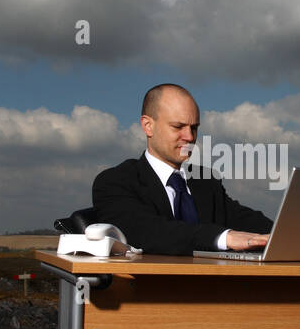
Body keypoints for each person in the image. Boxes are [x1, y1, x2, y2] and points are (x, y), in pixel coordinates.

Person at [92, 84, 273, 256]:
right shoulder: (115, 182)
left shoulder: (206, 181)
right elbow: (146, 232)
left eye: (194, 128)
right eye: (178, 127)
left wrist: (288, 233)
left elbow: (244, 218)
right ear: (148, 126)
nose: (189, 137)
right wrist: (224, 238)